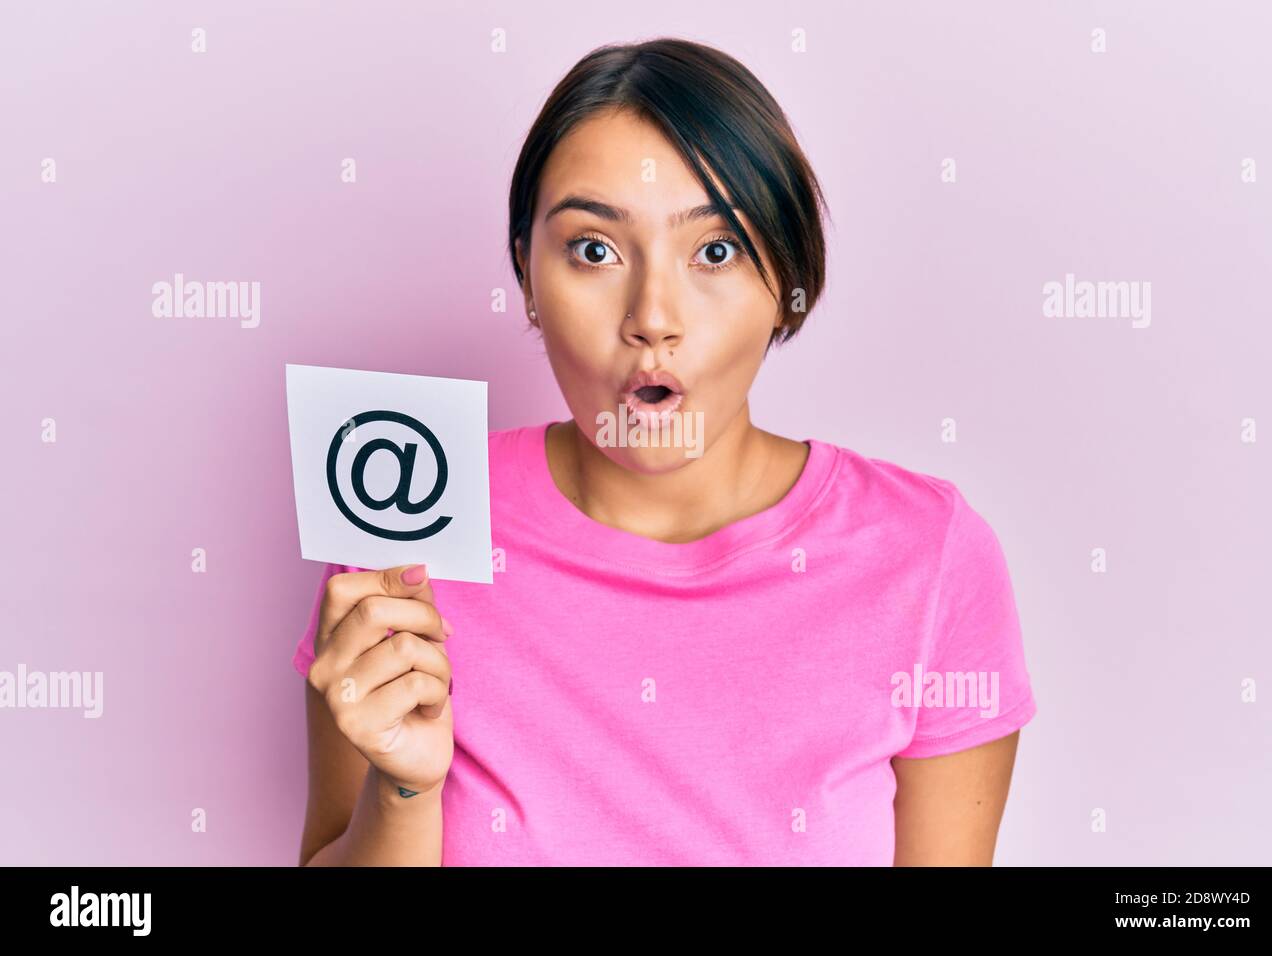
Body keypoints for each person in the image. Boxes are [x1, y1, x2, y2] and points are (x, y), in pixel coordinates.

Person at [293, 37, 1037, 866]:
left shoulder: (925, 554)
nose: (653, 315)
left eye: (714, 252)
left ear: (787, 279)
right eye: (595, 250)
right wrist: (404, 789)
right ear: (526, 274)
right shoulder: (411, 522)